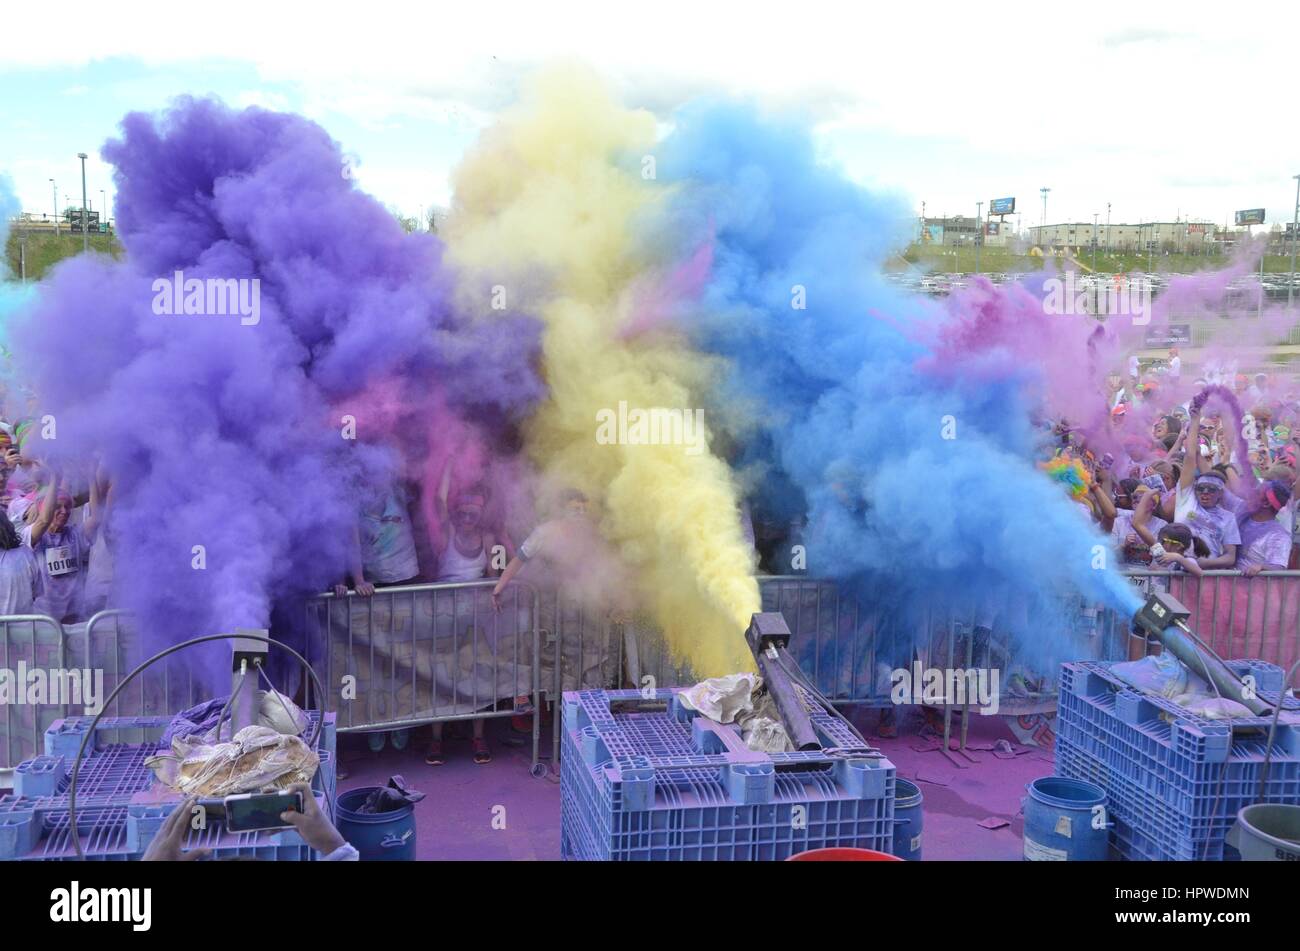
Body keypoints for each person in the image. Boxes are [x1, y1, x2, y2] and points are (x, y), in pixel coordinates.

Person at [426, 471, 504, 767]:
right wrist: (447, 462)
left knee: (477, 674)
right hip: (443, 615)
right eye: (464, 508)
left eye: (476, 509)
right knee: (440, 676)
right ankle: (436, 739)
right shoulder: (447, 533)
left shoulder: (489, 539)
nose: (468, 514)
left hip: (475, 617)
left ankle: (478, 736)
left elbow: (493, 578)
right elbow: (439, 499)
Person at [22, 469, 98, 623]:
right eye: (57, 507)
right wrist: (55, 478)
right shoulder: (33, 536)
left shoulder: (75, 534)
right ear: (46, 508)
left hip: (74, 616)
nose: (64, 511)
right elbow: (44, 520)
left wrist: (92, 476)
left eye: (67, 506)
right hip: (43, 619)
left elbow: (96, 518)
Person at [1175, 410, 1239, 569]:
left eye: (1211, 489)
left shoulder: (1228, 517)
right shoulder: (1186, 499)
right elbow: (1190, 456)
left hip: (1209, 578)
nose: (1205, 492)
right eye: (1201, 488)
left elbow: (1231, 557)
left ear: (1220, 493)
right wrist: (1195, 418)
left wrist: (1206, 564)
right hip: (1176, 574)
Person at [1232, 480, 1292, 575]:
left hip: (1254, 588)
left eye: (1257, 492)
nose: (1251, 493)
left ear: (1266, 503)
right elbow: (1220, 492)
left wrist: (1262, 567)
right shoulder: (1243, 513)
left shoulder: (1278, 535)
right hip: (1229, 586)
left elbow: (1279, 567)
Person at [0, 510, 41, 614]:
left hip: (23, 627)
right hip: (25, 626)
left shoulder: (25, 554)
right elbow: (36, 593)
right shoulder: (26, 554)